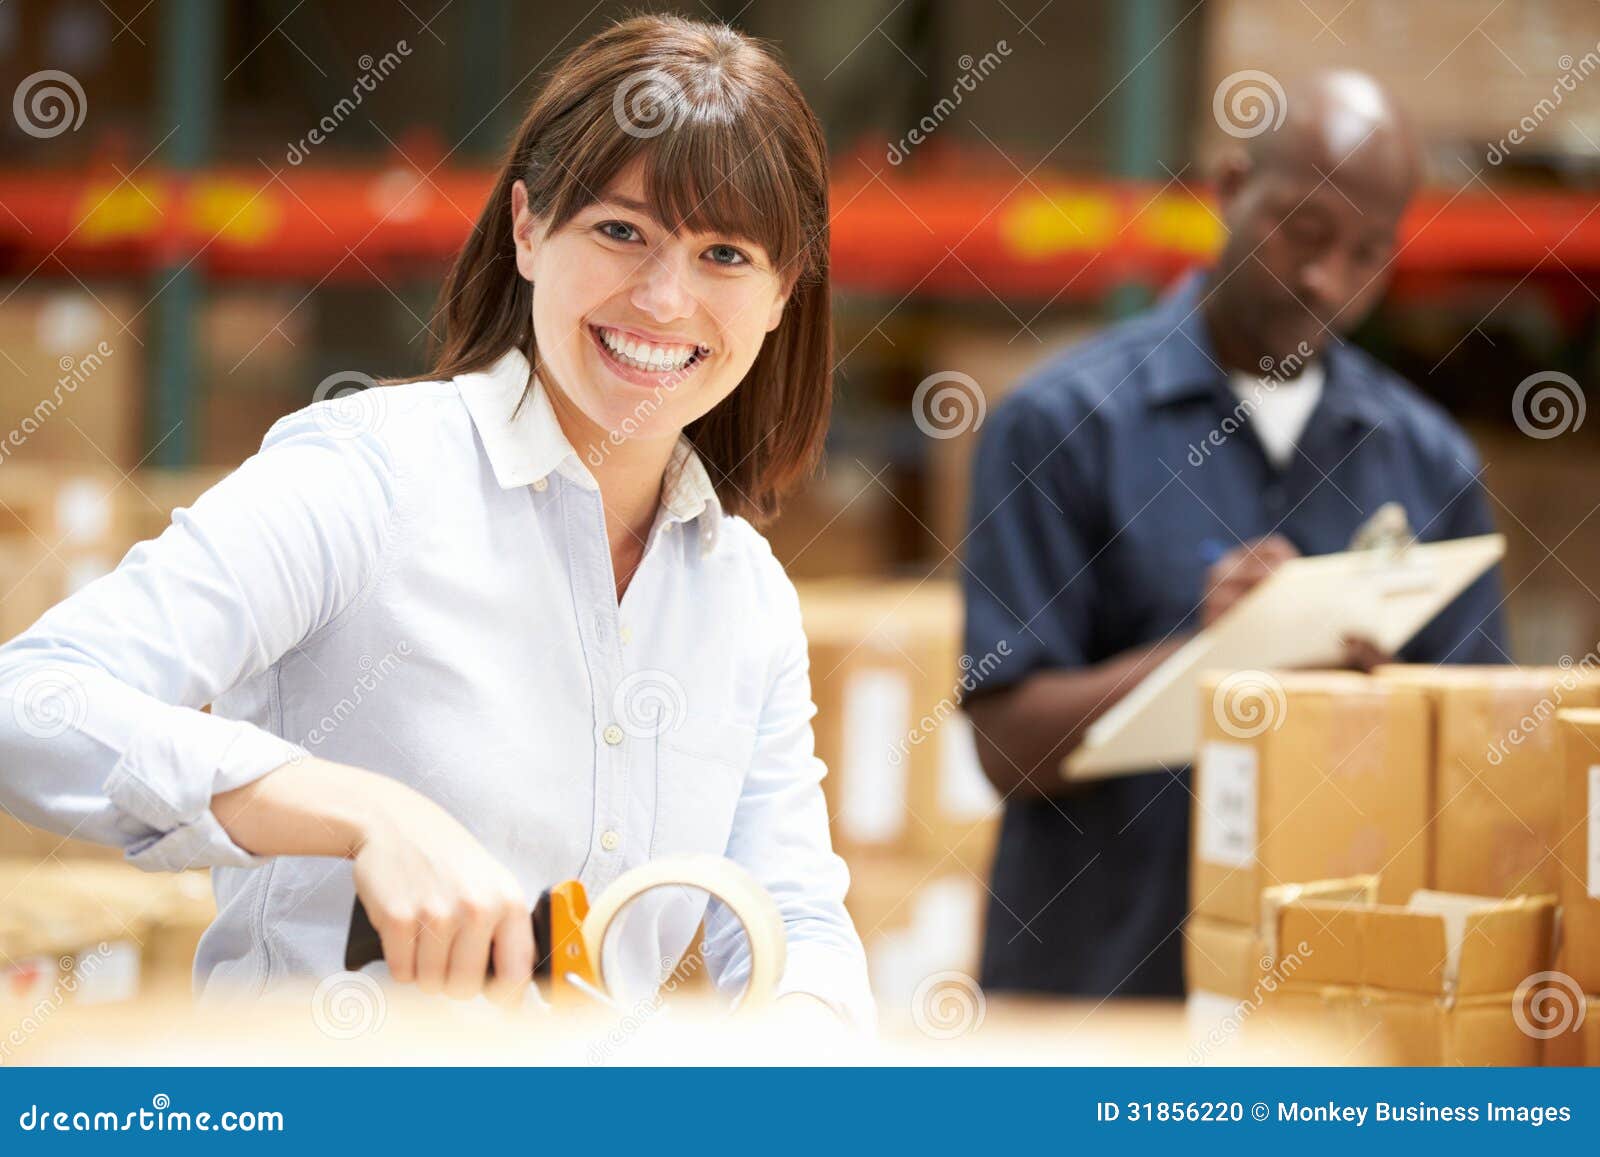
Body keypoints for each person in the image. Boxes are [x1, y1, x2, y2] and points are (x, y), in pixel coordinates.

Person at [0, 14, 872, 1026]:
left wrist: (812, 1045)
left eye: (724, 254)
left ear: (781, 295)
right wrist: (365, 812)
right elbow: (31, 702)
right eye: (621, 230)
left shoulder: (742, 592)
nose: (665, 299)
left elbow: (792, 915)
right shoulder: (369, 478)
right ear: (529, 230)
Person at [958, 71, 1507, 999]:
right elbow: (1006, 748)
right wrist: (1214, 657)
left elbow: (1479, 761)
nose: (1326, 277)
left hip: (1329, 1016)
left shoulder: (1429, 463)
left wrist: (1363, 695)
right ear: (1229, 187)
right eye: (1303, 230)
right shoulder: (1062, 424)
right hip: (1095, 1008)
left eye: (1369, 254)